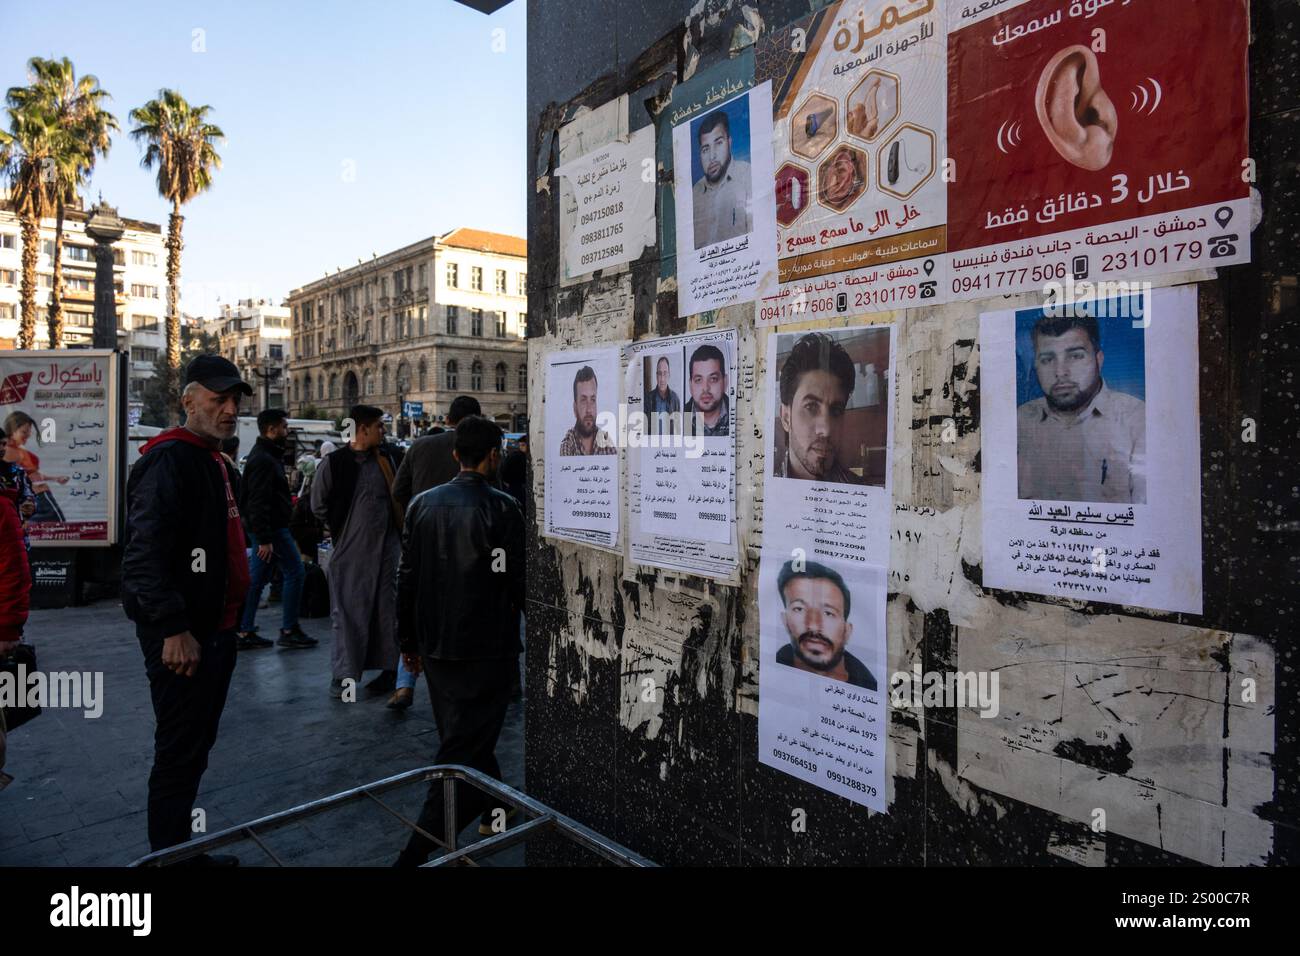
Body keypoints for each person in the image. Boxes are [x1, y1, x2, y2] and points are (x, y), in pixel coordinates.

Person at [120, 355, 253, 862]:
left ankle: (178, 852)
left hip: (215, 633)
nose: (229, 409)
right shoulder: (169, 458)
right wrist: (172, 627)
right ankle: (167, 860)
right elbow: (142, 554)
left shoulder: (214, 460)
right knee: (178, 752)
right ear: (188, 400)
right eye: (218, 399)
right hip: (184, 641)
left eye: (234, 400)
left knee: (194, 748)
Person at [393, 416, 525, 866]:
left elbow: (405, 579)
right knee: (462, 747)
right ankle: (415, 852)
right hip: (486, 646)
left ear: (455, 455)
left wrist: (407, 640)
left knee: (465, 734)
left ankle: (495, 808)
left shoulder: (421, 505)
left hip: (437, 646)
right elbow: (514, 582)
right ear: (494, 455)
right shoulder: (504, 508)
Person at [311, 404, 404, 699]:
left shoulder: (386, 459)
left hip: (387, 549)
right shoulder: (335, 463)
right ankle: (345, 676)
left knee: (386, 611)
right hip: (352, 551)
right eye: (378, 426)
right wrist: (340, 527)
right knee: (349, 612)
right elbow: (318, 504)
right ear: (362, 429)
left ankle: (389, 670)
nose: (383, 431)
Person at [1017, 314, 1146, 503]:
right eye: (1047, 359)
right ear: (1036, 365)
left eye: (1075, 356)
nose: (1060, 372)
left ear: (1099, 360)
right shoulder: (1019, 421)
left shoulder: (1137, 420)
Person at [237, 408, 316, 651]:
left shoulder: (266, 455)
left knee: (257, 580)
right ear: (271, 430)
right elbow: (257, 502)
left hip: (269, 530)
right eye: (283, 427)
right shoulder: (263, 459)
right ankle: (289, 629)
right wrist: (263, 539)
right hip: (272, 530)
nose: (287, 430)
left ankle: (244, 629)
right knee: (295, 572)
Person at [774, 332, 865, 483]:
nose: (826, 429)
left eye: (836, 411)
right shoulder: (763, 489)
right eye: (811, 407)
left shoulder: (861, 492)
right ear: (786, 417)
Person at [773, 559, 875, 690]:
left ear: (847, 630)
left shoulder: (869, 688)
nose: (814, 625)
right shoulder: (770, 670)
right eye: (799, 609)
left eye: (828, 613)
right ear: (785, 621)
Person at [392, 395, 481, 515]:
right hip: (469, 523)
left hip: (424, 521)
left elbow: (398, 490)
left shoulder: (419, 445)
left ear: (448, 420)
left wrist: (417, 509)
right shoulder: (482, 447)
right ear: (479, 421)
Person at [692, 109, 752, 249]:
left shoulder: (747, 176)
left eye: (718, 143)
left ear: (729, 143)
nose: (712, 156)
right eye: (705, 149)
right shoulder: (694, 193)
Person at [2, 410, 70, 523]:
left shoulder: (16, 450)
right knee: (61, 529)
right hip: (39, 500)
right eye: (24, 431)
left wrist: (55, 478)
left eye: (29, 431)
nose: (28, 435)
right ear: (12, 431)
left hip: (31, 501)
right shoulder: (10, 451)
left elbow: (32, 475)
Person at [558, 366, 617, 456]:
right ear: (575, 408)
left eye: (593, 400)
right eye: (583, 400)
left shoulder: (607, 443)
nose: (589, 409)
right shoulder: (568, 445)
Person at [684, 344, 730, 437]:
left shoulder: (740, 414)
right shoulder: (677, 419)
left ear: (725, 382)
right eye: (698, 380)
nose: (705, 388)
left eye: (713, 379)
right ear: (690, 385)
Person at [645, 357, 681, 438]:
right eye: (659, 373)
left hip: (669, 447)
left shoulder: (675, 399)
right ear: (656, 375)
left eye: (665, 373)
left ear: (669, 375)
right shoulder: (648, 399)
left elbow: (677, 430)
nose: (662, 379)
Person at [499, 433, 528, 508]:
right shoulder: (518, 457)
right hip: (518, 488)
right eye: (521, 445)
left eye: (523, 445)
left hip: (512, 488)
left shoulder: (513, 456)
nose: (521, 447)